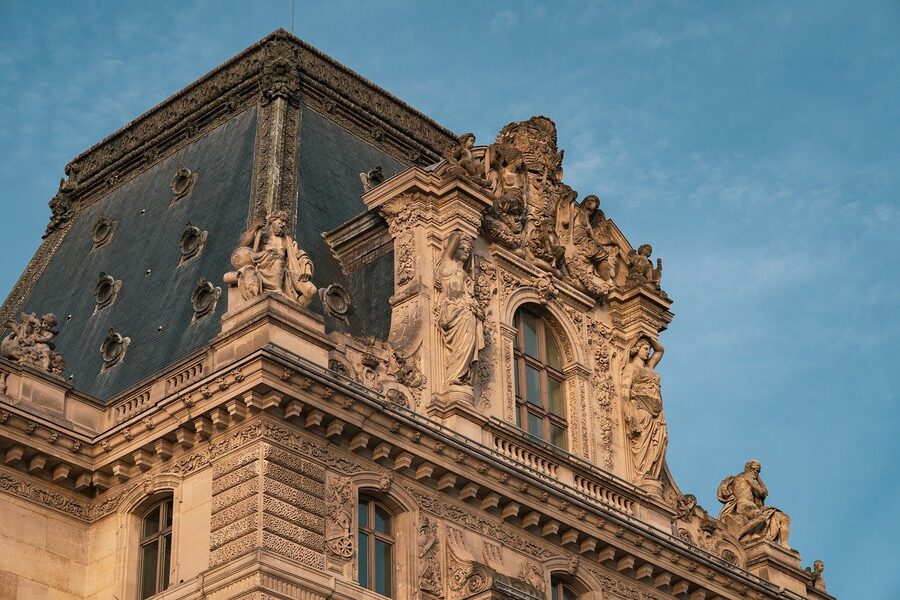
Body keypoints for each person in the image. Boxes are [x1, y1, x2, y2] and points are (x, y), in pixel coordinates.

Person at [229, 210, 316, 307]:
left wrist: (306, 270)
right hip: (263, 270)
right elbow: (243, 245)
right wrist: (254, 226)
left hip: (285, 275)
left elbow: (299, 256)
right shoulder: (261, 234)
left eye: (285, 224)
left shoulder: (287, 241)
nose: (283, 225)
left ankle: (294, 309)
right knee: (276, 258)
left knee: (311, 291)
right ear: (272, 221)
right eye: (280, 222)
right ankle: (279, 297)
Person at [435, 232, 485, 387]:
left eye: (468, 250)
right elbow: (455, 237)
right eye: (462, 248)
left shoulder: (464, 274)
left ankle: (462, 376)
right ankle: (454, 375)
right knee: (461, 344)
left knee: (468, 343)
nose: (466, 251)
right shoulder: (446, 265)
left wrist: (475, 308)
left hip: (466, 311)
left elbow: (468, 296)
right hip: (453, 310)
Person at [621, 335, 668, 485]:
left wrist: (648, 335)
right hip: (642, 412)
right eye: (645, 349)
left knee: (658, 445)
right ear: (637, 349)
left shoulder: (649, 367)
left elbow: (660, 350)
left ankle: (650, 475)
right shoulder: (631, 368)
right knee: (643, 447)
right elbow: (624, 393)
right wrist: (629, 415)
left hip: (656, 415)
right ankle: (643, 475)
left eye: (648, 349)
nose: (648, 352)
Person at [717, 460, 791, 547]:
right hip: (744, 505)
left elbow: (765, 493)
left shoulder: (747, 476)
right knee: (761, 517)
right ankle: (740, 534)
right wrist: (757, 478)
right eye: (753, 469)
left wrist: (757, 477)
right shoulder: (746, 476)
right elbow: (762, 492)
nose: (755, 472)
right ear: (747, 468)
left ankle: (785, 545)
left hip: (751, 506)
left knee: (784, 517)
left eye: (757, 471)